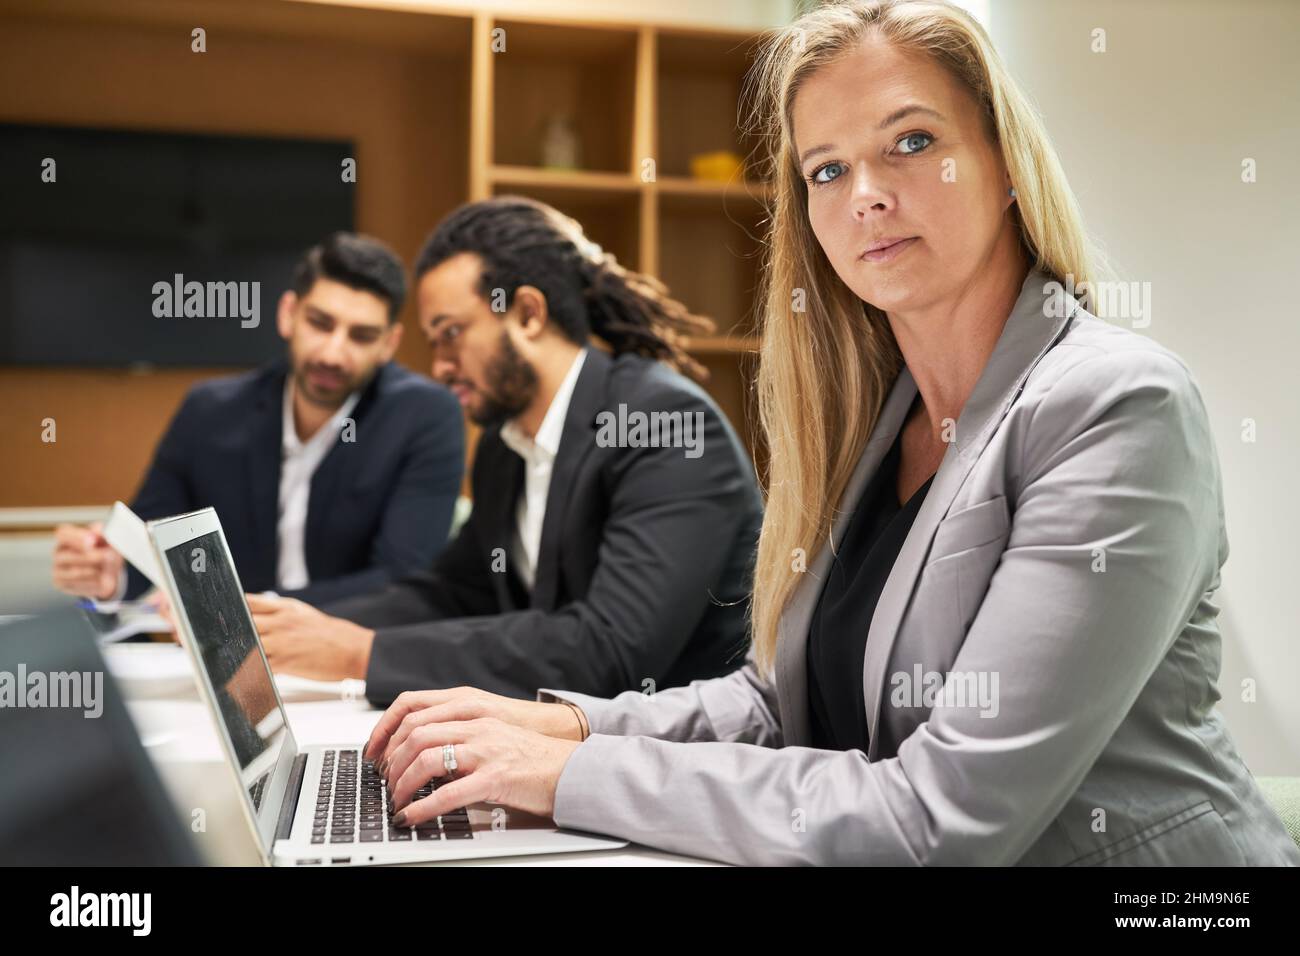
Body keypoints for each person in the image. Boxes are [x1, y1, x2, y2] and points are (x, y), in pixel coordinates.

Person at [359, 0, 1300, 866]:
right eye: (828, 168)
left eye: (912, 141)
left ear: (1007, 164)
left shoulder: (1115, 406)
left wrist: (567, 781)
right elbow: (777, 701)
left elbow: (940, 821)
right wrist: (562, 729)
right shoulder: (871, 419)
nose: (866, 196)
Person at [246, 197, 764, 706]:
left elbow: (609, 649)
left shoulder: (661, 425)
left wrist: (360, 655)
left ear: (528, 314)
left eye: (451, 334)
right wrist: (282, 618)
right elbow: (452, 592)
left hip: (689, 761)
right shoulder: (504, 445)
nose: (441, 367)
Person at [51, 232, 464, 609]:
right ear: (289, 314)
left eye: (361, 336)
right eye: (320, 324)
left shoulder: (425, 416)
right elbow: (152, 541)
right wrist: (111, 574)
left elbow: (402, 579)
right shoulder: (210, 410)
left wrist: (255, 609)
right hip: (225, 661)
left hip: (351, 658)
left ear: (389, 344)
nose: (333, 354)